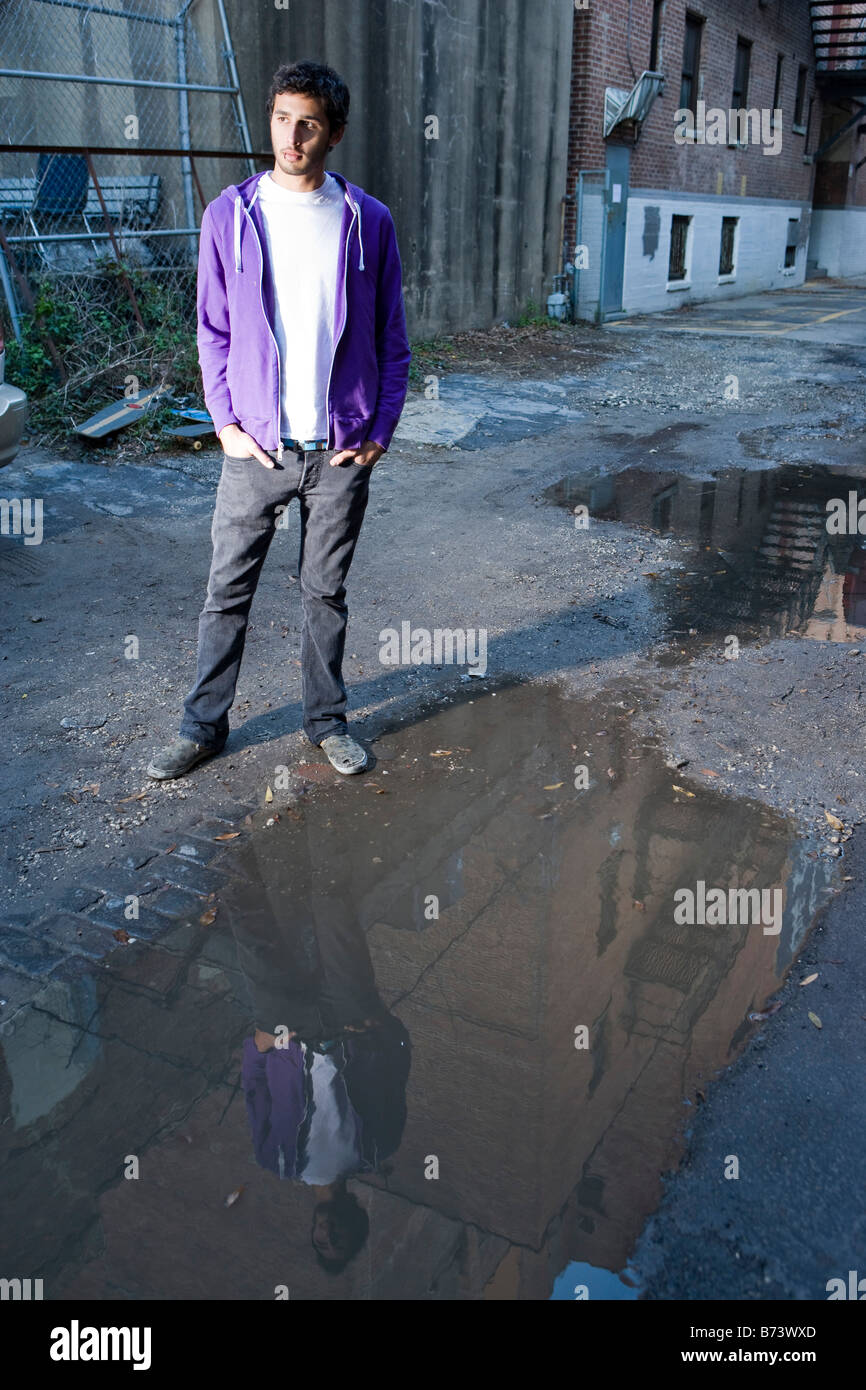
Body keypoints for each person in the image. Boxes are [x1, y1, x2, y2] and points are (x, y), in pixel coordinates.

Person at [148, 59, 410, 781]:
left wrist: (379, 431)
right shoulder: (229, 215)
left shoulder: (368, 221)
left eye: (309, 125)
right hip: (254, 449)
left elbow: (393, 341)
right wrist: (225, 422)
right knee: (226, 590)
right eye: (281, 119)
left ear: (335, 134)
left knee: (324, 593)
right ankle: (202, 728)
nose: (291, 137)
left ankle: (326, 723)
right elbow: (212, 329)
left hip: (339, 451)